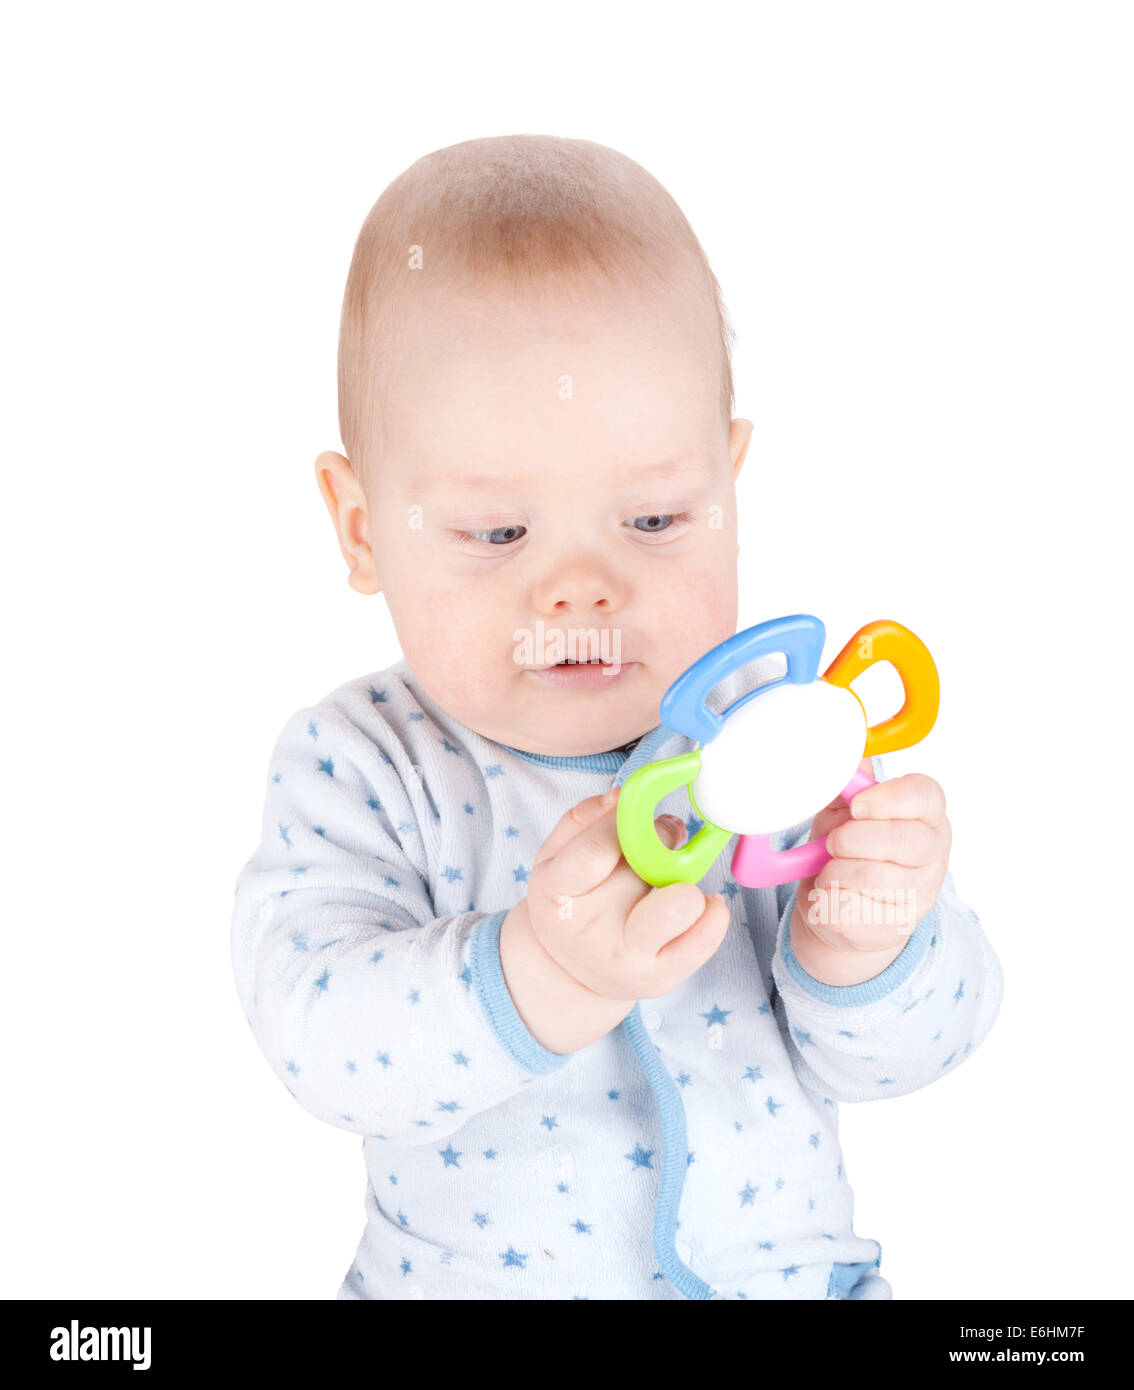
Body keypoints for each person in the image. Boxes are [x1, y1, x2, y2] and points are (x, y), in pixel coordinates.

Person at [230, 134, 1002, 1300]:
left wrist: (870, 939)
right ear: (362, 528)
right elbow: (320, 1040)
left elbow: (917, 1054)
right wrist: (541, 968)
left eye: (651, 521)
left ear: (728, 490)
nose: (581, 587)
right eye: (498, 535)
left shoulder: (773, 739)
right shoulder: (365, 764)